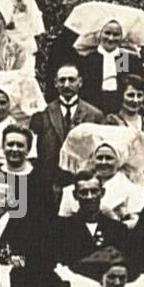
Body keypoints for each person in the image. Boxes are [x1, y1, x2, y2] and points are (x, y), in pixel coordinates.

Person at [29, 63, 105, 202]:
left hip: (83, 188)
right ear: (55, 83)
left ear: (80, 82)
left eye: (71, 80)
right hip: (49, 187)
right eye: (62, 80)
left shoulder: (95, 115)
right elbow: (35, 155)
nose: (67, 85)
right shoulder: (42, 114)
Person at [57, 124, 144, 230]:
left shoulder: (131, 189)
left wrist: (111, 220)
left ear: (119, 161)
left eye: (109, 158)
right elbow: (63, 223)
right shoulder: (75, 187)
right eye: (99, 158)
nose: (103, 162)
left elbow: (134, 223)